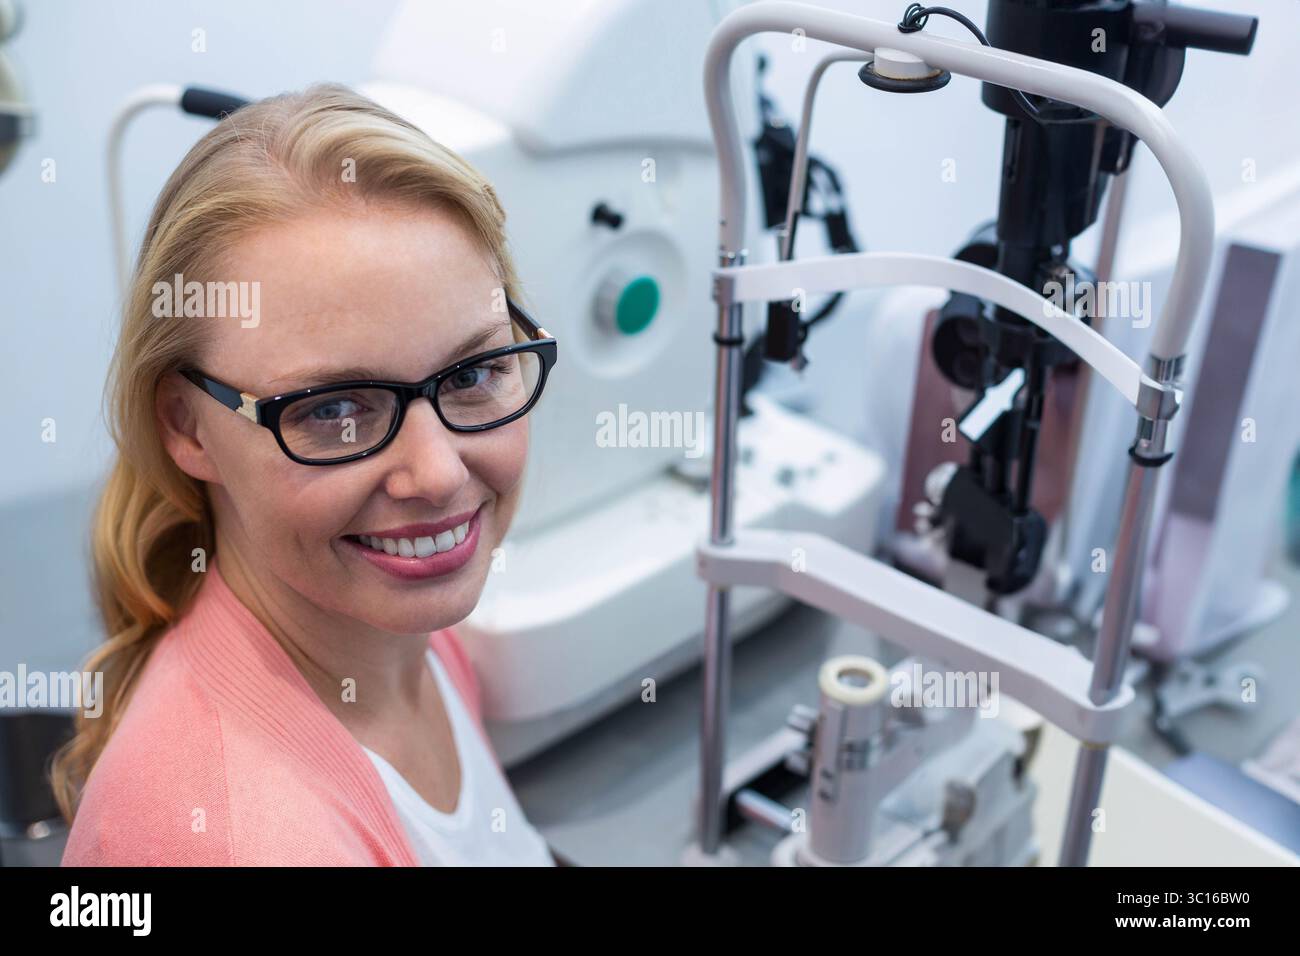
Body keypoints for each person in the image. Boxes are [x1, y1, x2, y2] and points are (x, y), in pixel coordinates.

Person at [56, 84, 558, 866]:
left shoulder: (397, 624)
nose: (436, 474)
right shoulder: (240, 841)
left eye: (472, 373)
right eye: (333, 409)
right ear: (187, 427)